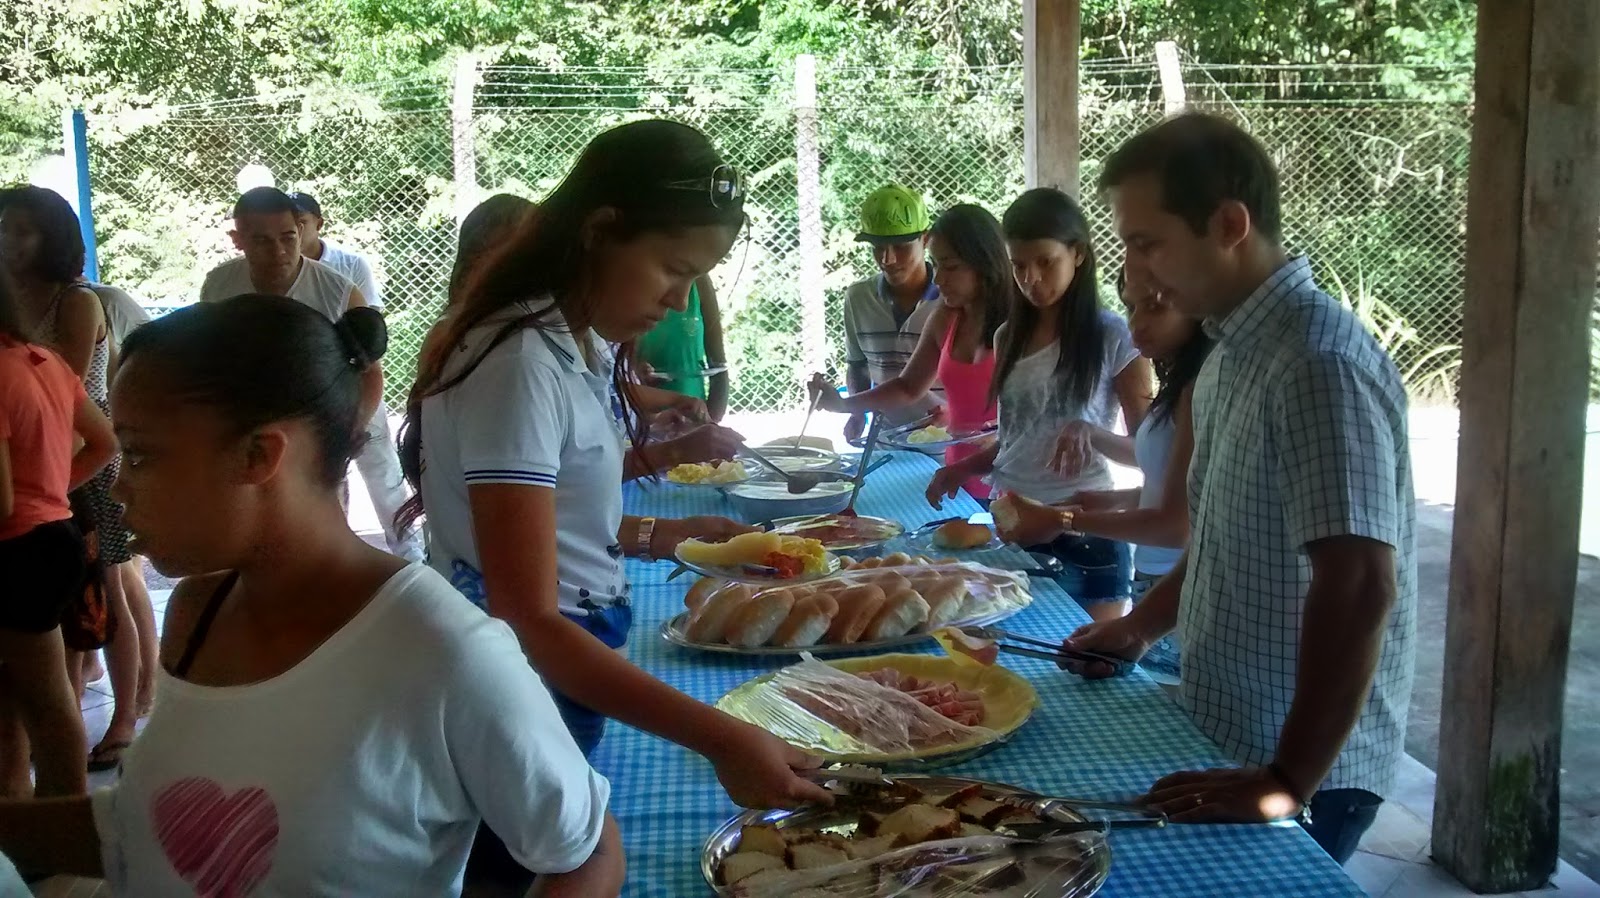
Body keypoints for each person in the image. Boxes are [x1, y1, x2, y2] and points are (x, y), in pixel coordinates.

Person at [0, 295, 624, 895]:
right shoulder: (198, 612)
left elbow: (588, 853)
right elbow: (155, 829)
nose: (118, 491)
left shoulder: (442, 650)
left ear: (258, 455)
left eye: (139, 456)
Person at [398, 119, 829, 890]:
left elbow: (553, 519)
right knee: (529, 870)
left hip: (552, 665)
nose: (679, 297)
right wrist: (722, 738)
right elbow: (530, 612)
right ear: (601, 231)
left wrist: (666, 532)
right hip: (527, 672)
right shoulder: (520, 360)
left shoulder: (569, 341)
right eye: (671, 267)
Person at [1066, 113, 1416, 864]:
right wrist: (1139, 627)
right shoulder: (1226, 351)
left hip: (1309, 768)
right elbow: (1219, 530)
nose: (1136, 271)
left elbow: (1358, 586)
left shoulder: (1318, 362)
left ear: (1229, 224)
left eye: (1147, 242)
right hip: (1229, 729)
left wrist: (1286, 780)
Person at [927, 188, 1154, 621]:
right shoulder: (1006, 335)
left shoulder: (1113, 336)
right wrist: (961, 468)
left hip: (1085, 531)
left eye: (1046, 262)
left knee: (1091, 671)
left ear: (1078, 254)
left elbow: (1151, 453)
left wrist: (1091, 433)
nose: (1031, 278)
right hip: (1012, 525)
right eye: (1019, 265)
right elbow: (1018, 438)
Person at [994, 266, 1211, 679]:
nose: (1135, 324)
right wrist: (1107, 500)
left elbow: (1175, 525)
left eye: (1153, 308)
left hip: (1179, 588)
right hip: (1154, 584)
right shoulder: (1177, 381)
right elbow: (1178, 488)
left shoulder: (1196, 388)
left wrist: (1064, 519)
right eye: (1130, 307)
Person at [0, 185, 143, 771]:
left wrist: (55, 483)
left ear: (52, 238)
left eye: (22, 230)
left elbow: (71, 404)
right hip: (45, 468)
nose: (9, 240)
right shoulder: (16, 309)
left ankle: (126, 714)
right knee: (72, 611)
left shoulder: (74, 302)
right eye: (3, 228)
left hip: (84, 465)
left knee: (111, 592)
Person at [202, 187, 423, 563]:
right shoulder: (219, 286)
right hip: (265, 410)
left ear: (302, 229)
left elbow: (371, 375)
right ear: (237, 240)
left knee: (376, 475)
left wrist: (348, 428)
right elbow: (211, 359)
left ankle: (411, 555)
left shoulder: (337, 290)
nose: (279, 252)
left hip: (338, 404)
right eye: (262, 241)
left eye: (288, 237)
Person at [0, 271, 117, 798]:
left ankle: (60, 824)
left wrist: (41, 493)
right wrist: (52, 488)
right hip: (53, 535)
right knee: (22, 694)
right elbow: (104, 441)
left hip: (17, 550)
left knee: (45, 702)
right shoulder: (41, 360)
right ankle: (22, 813)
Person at [810, 204, 1008, 499]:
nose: (938, 279)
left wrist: (995, 434)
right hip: (955, 477)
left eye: (950, 267)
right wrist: (843, 405)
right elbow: (907, 387)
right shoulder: (945, 316)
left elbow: (1042, 418)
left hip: (1007, 479)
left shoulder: (1020, 325)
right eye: (936, 264)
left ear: (986, 264)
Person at [87, 280, 162, 724]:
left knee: (122, 574)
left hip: (97, 452)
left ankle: (144, 687)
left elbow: (145, 366)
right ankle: (90, 668)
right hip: (80, 451)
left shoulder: (101, 301)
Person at [840, 183, 946, 441]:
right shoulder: (858, 298)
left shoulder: (952, 297)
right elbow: (857, 365)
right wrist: (856, 414)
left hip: (948, 441)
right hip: (886, 441)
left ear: (925, 239)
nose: (887, 259)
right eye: (877, 247)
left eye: (900, 246)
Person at [634, 275, 730, 421]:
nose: (681, 303)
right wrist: (633, 372)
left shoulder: (699, 281)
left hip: (692, 414)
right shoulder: (630, 287)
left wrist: (711, 421)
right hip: (634, 418)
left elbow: (719, 365)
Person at [288, 190, 381, 307]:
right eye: (288, 223)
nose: (294, 230)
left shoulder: (352, 264)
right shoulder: (277, 265)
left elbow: (369, 314)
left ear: (319, 224)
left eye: (301, 222)